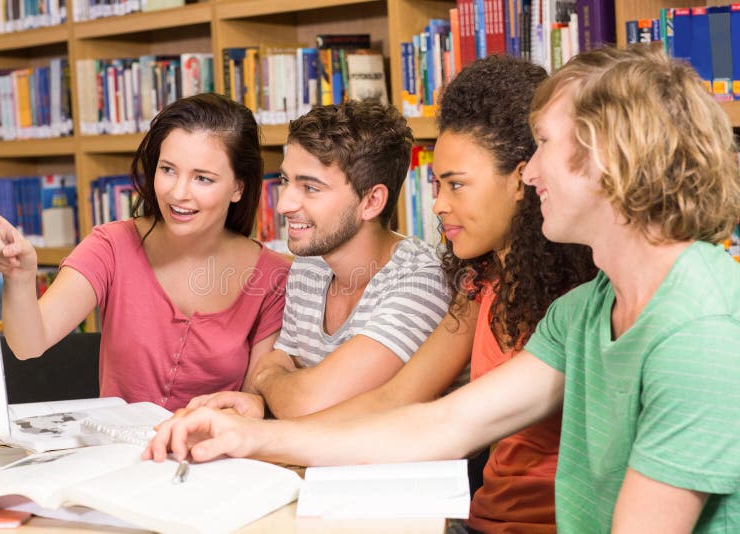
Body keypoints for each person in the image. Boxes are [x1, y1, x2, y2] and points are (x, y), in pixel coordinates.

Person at [146, 45, 740, 532]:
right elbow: (442, 424)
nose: (531, 174)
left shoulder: (700, 332)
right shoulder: (586, 310)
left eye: (546, 148)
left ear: (610, 157)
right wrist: (248, 435)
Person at [172, 57, 597, 532]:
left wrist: (260, 430)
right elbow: (400, 401)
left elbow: (432, 421)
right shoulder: (480, 283)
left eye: (455, 184)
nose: (437, 205)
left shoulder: (578, 306)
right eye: (437, 185)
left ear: (520, 181)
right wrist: (255, 430)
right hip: (477, 517)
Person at [0, 93, 290, 411]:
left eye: (202, 178)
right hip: (117, 455)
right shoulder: (111, 246)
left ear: (238, 187)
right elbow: (28, 345)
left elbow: (255, 403)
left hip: (213, 455)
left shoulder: (272, 278)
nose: (178, 193)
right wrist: (20, 278)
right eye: (168, 169)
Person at [190, 100, 451, 420]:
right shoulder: (311, 264)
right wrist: (274, 381)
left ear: (372, 202)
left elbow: (306, 402)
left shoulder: (422, 281)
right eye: (286, 180)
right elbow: (276, 362)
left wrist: (270, 382)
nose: (284, 204)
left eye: (310, 188)